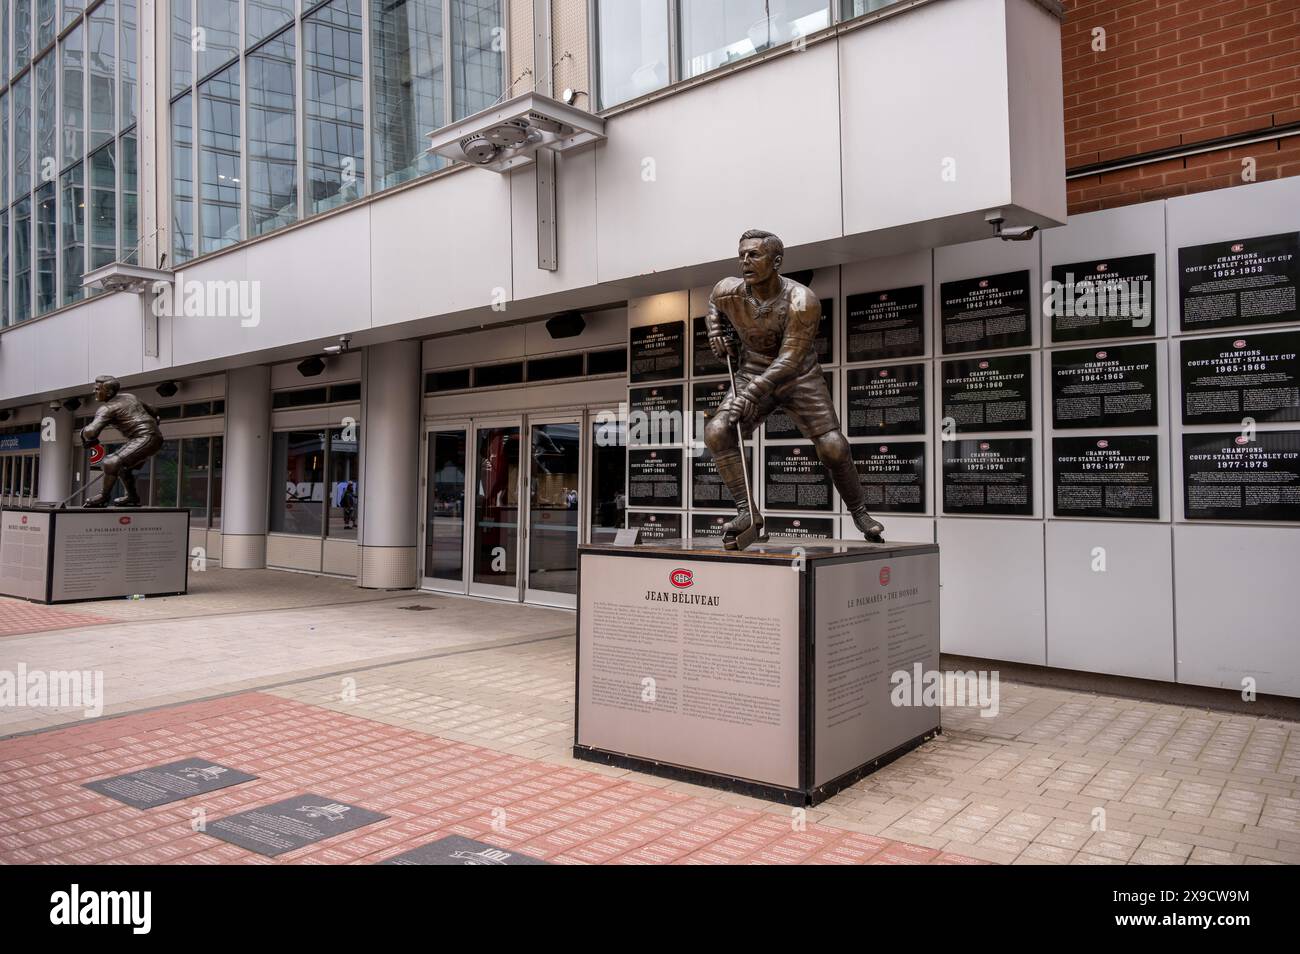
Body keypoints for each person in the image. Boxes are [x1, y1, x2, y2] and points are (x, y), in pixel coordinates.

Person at [705, 229, 885, 543]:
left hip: (800, 376)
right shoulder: (727, 290)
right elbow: (713, 307)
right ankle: (748, 512)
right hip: (752, 368)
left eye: (754, 255)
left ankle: (860, 513)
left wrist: (749, 394)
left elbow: (789, 359)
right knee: (718, 430)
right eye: (742, 255)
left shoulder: (802, 300)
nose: (745, 261)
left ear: (776, 262)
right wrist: (716, 333)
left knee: (833, 446)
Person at [80, 375, 163, 508]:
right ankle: (132, 497)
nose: (94, 392)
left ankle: (103, 497)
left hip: (145, 437)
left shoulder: (107, 408)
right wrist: (154, 424)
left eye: (97, 389)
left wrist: (82, 432)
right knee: (122, 467)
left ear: (109, 392)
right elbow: (155, 411)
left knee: (111, 462)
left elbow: (92, 432)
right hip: (151, 437)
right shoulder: (129, 397)